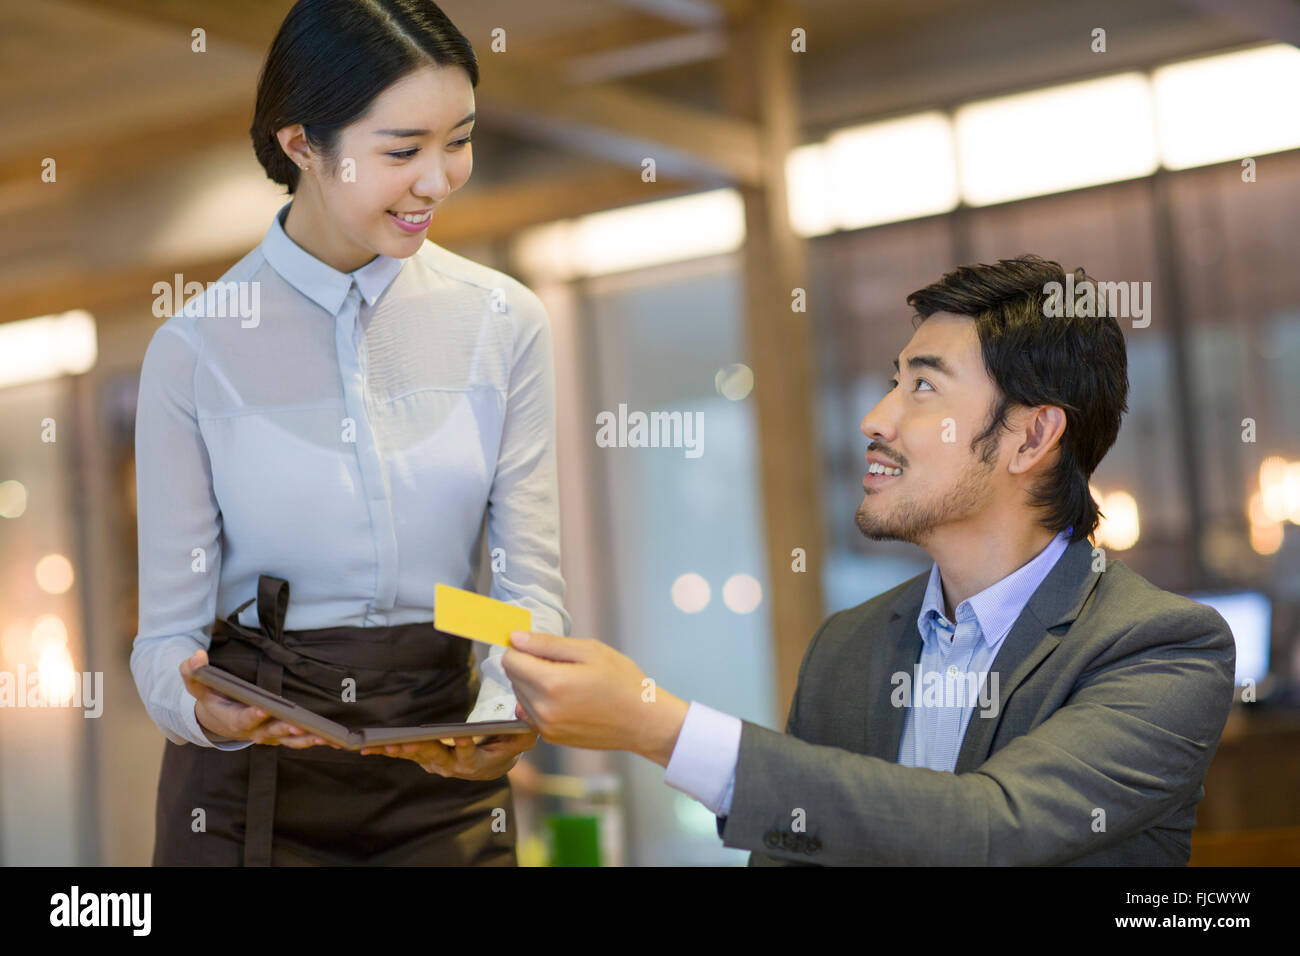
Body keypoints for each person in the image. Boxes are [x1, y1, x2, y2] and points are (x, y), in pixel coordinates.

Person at [499, 255, 1236, 866]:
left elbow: (990, 828)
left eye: (923, 386)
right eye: (894, 381)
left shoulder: (1160, 648)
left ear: (1030, 436)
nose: (875, 419)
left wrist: (655, 724)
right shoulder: (847, 648)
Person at [131, 0, 570, 866]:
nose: (438, 180)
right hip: (254, 777)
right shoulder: (195, 350)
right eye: (402, 151)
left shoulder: (502, 322)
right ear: (302, 145)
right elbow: (165, 642)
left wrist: (504, 708)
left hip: (445, 769)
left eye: (460, 139)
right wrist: (195, 710)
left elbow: (525, 589)